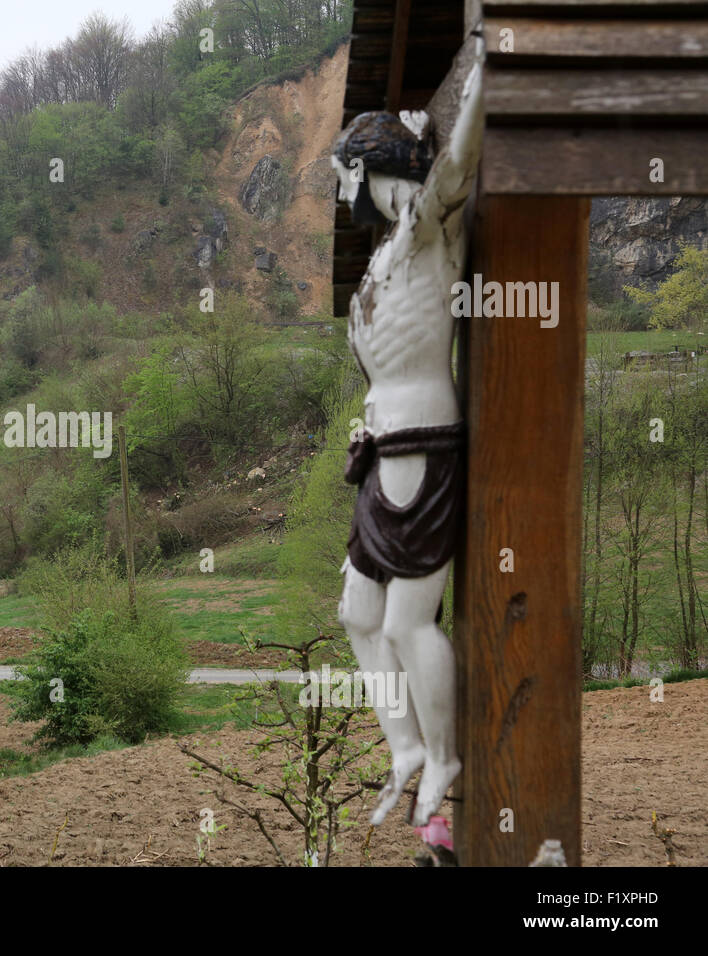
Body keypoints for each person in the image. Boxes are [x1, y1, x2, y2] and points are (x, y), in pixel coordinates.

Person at [332, 34, 483, 828]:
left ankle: (446, 757)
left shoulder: (430, 229)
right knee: (358, 614)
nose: (375, 196)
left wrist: (490, 64)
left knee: (406, 619)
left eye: (370, 177)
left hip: (424, 439)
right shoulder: (384, 258)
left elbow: (457, 162)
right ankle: (407, 748)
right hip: (380, 447)